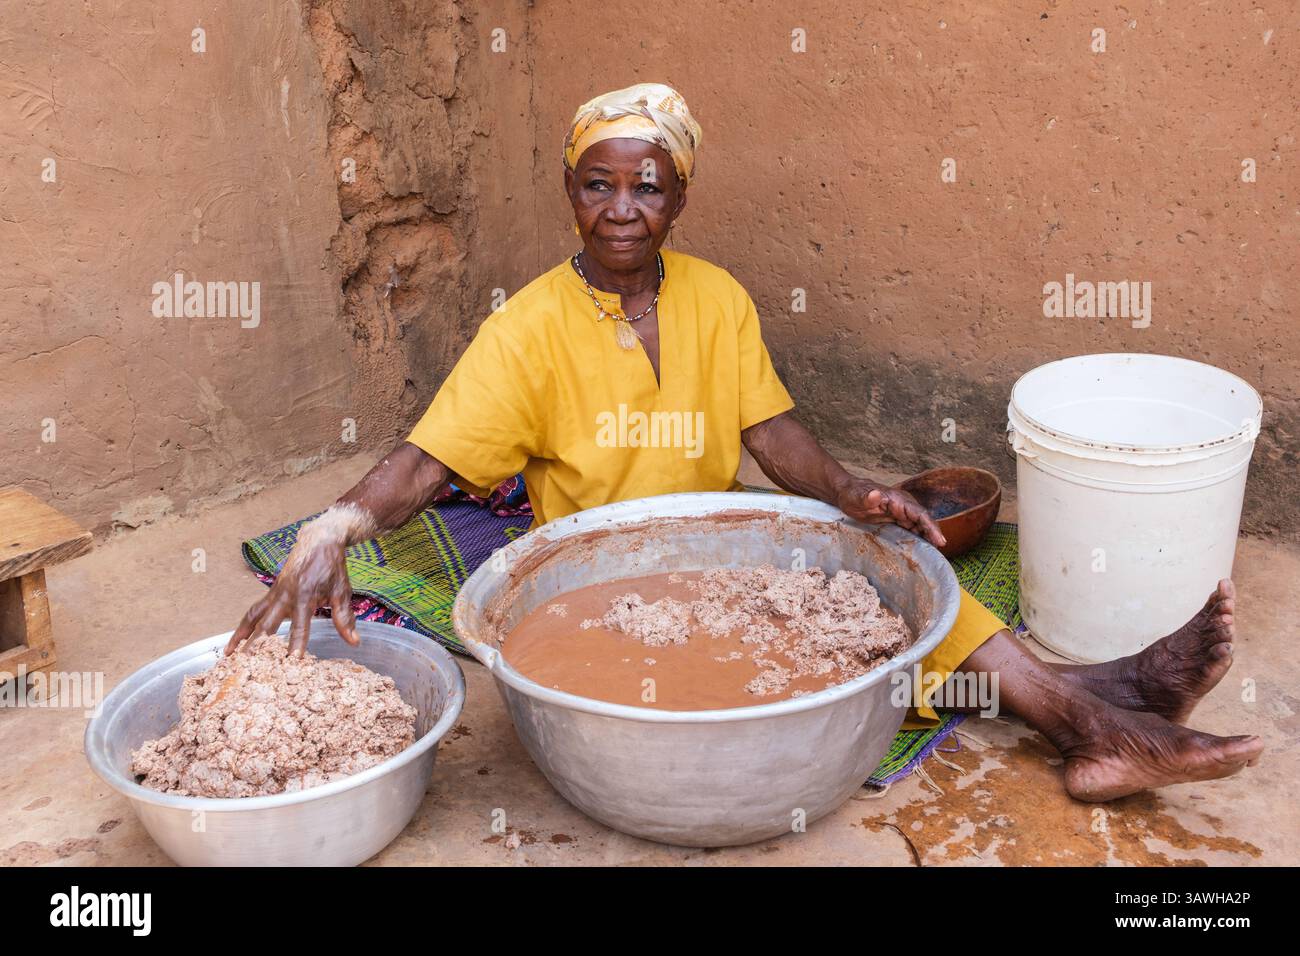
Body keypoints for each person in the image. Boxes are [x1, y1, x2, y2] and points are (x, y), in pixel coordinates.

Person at [229, 83, 1261, 802]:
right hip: (606, 572)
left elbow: (774, 437)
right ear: (569, 191)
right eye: (598, 184)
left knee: (885, 558)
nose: (621, 210)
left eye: (646, 186)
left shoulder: (716, 298)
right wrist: (335, 527)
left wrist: (854, 488)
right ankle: (1100, 708)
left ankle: (1105, 701)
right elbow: (424, 463)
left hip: (724, 541)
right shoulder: (527, 328)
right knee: (849, 603)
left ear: (678, 195)